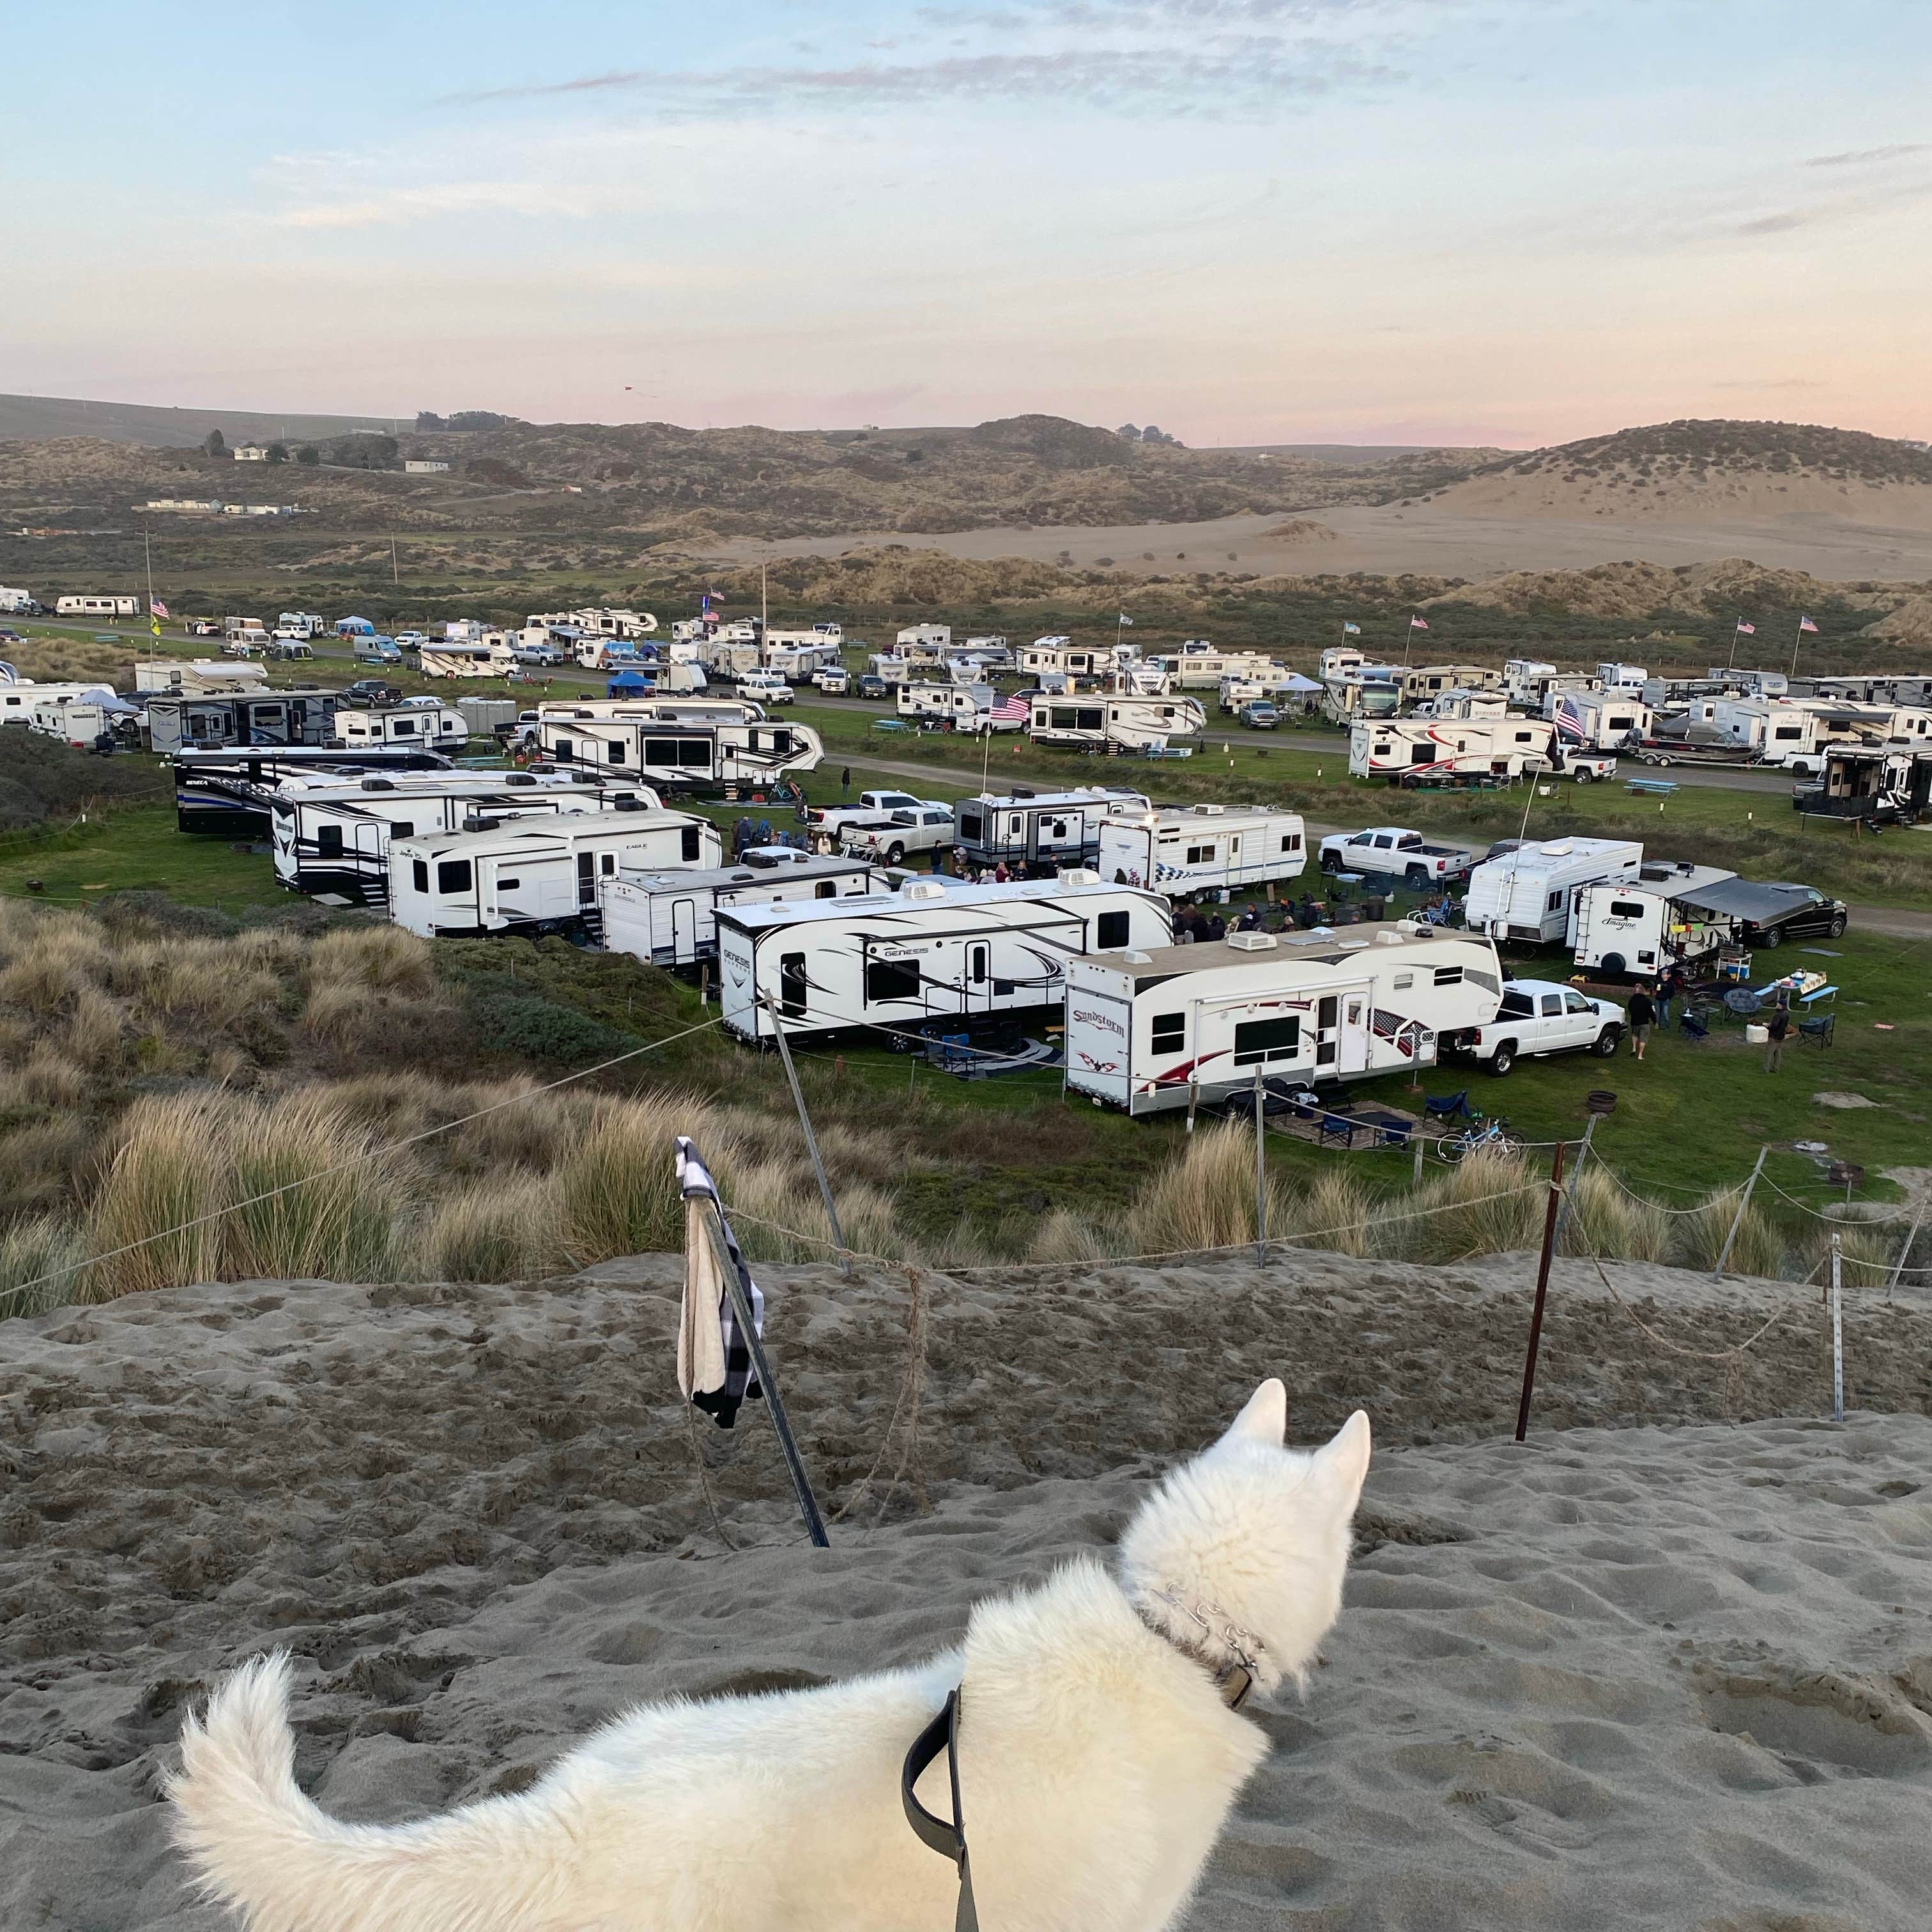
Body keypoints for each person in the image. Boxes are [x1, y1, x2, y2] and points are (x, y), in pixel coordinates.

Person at [1627, 981, 1656, 1061]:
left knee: (1635, 1035)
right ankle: (1640, 1055)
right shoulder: (1648, 1001)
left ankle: (1634, 1048)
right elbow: (1652, 1011)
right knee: (1643, 1039)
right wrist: (1655, 1021)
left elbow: (1629, 1008)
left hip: (1634, 1022)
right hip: (1644, 1023)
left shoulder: (1632, 999)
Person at [1765, 996, 1791, 1073]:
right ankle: (1776, 1068)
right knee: (1778, 1053)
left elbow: (1774, 1026)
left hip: (1774, 1037)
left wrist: (1768, 1026)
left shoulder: (1778, 1015)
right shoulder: (1786, 1014)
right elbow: (1784, 1025)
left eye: (1778, 1003)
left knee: (1768, 1053)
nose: (1776, 1004)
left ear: (1781, 1006)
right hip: (1781, 1036)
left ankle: (1766, 1069)